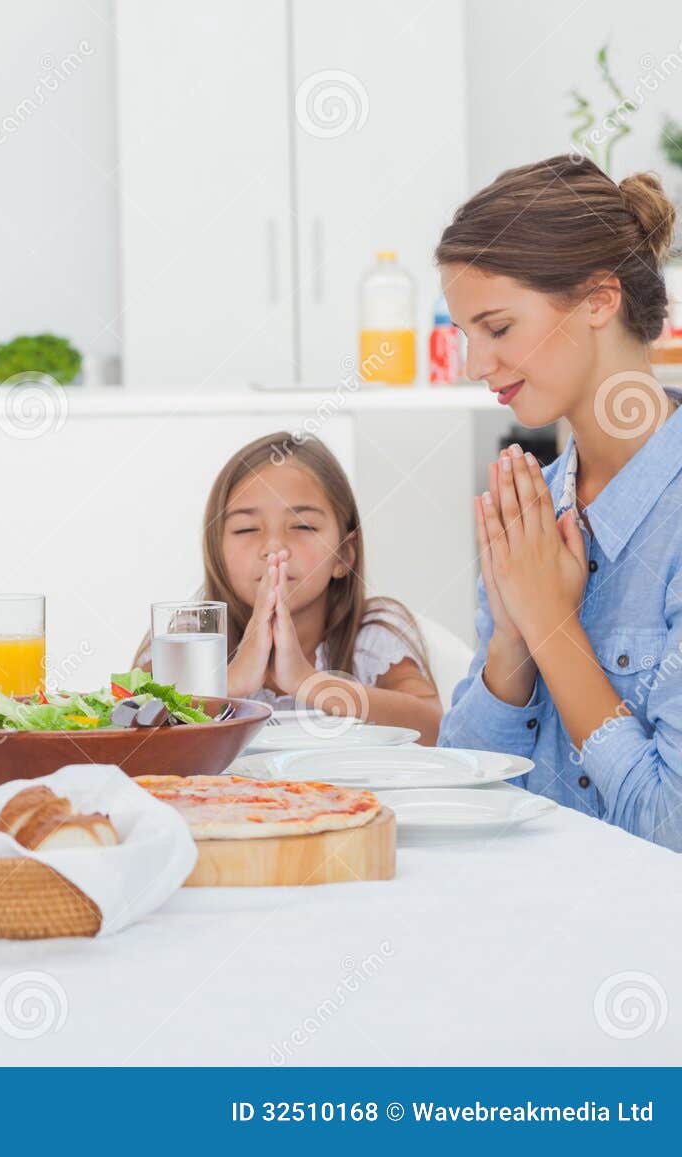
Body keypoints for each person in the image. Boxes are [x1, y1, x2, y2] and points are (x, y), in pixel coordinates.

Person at [437, 154, 682, 850]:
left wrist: (549, 622)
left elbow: (671, 828)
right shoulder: (531, 509)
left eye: (497, 328)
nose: (475, 366)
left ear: (599, 299)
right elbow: (461, 797)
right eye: (465, 335)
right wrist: (512, 644)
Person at [135, 432, 440, 741]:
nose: (274, 547)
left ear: (344, 554)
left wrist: (307, 681)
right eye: (246, 529)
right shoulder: (187, 636)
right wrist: (231, 682)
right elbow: (129, 727)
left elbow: (436, 729)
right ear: (216, 552)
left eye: (303, 526)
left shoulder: (372, 637)